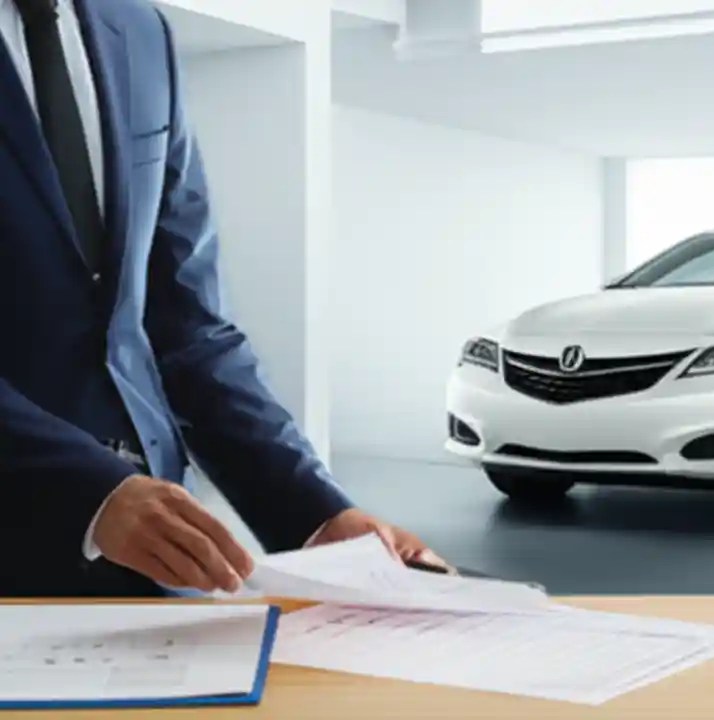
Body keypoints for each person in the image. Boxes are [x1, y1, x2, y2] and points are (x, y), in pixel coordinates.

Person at [0, 0, 448, 596]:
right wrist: (89, 489)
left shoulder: (138, 29)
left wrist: (316, 515)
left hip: (160, 561)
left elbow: (189, 327)